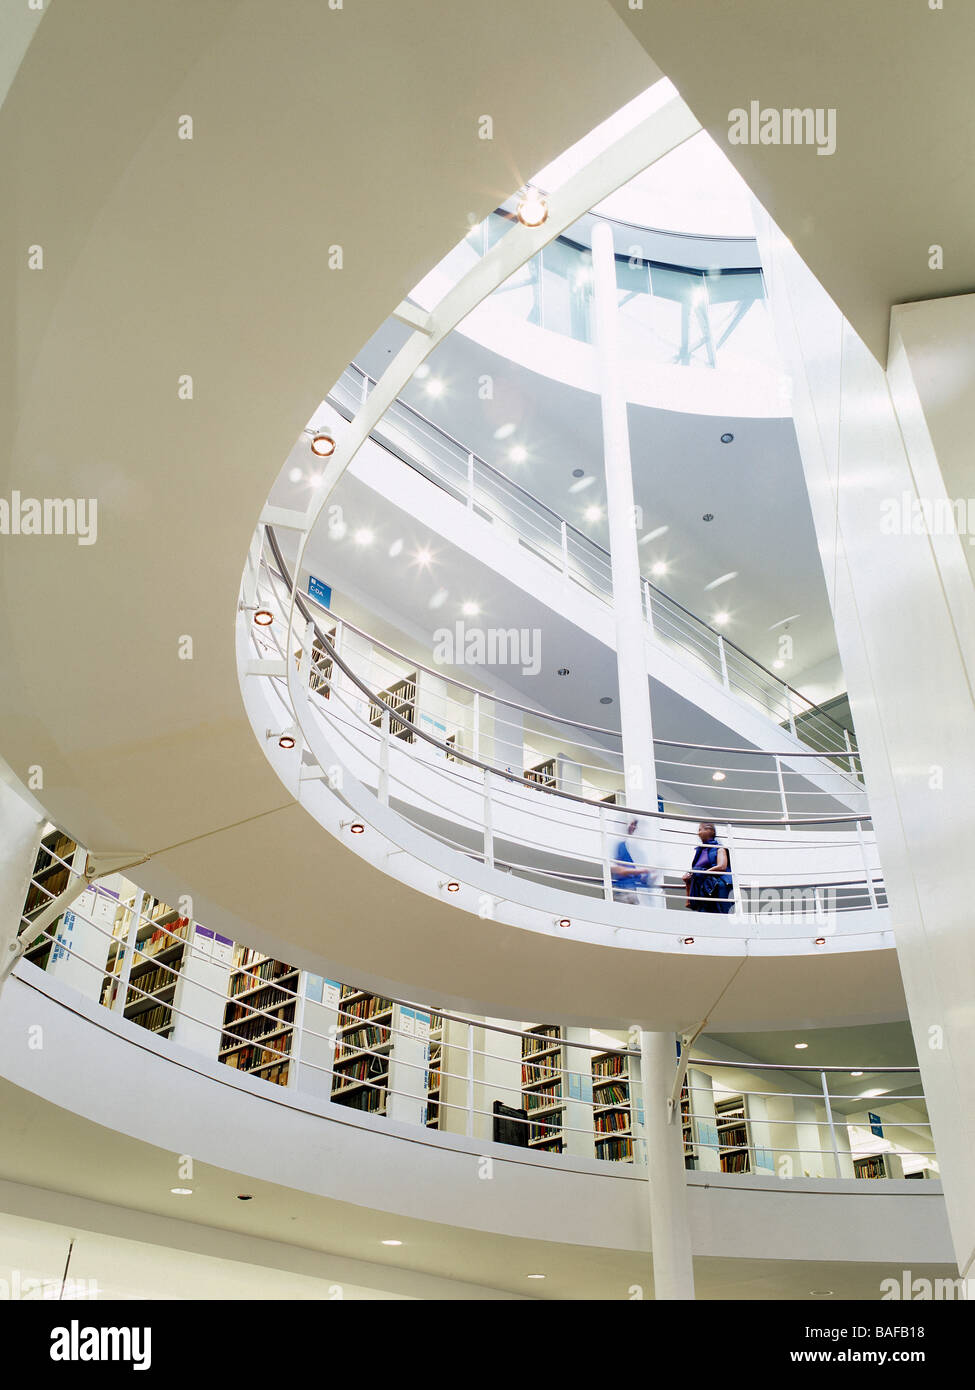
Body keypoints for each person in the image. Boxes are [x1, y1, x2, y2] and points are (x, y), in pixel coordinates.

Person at [611, 817, 664, 906]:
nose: (634, 827)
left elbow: (643, 879)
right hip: (623, 891)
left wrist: (655, 874)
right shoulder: (620, 845)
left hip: (634, 893)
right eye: (632, 824)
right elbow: (616, 870)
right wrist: (644, 870)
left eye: (635, 825)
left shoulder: (637, 851)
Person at [683, 821, 734, 913]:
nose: (698, 833)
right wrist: (689, 877)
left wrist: (702, 873)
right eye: (699, 830)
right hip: (702, 891)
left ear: (711, 831)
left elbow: (722, 867)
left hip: (714, 889)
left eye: (701, 829)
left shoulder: (720, 849)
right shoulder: (699, 851)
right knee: (704, 916)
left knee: (718, 914)